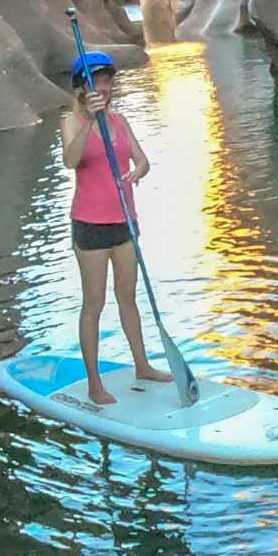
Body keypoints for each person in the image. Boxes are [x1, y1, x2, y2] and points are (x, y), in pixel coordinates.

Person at [59, 52, 168, 408]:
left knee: (128, 298)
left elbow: (142, 160)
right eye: (96, 81)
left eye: (107, 81)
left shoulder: (119, 120)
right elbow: (71, 161)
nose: (104, 88)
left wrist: (139, 171)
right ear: (80, 88)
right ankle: (94, 383)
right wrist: (90, 121)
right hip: (90, 225)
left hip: (125, 220)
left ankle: (142, 365)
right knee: (94, 303)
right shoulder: (71, 121)